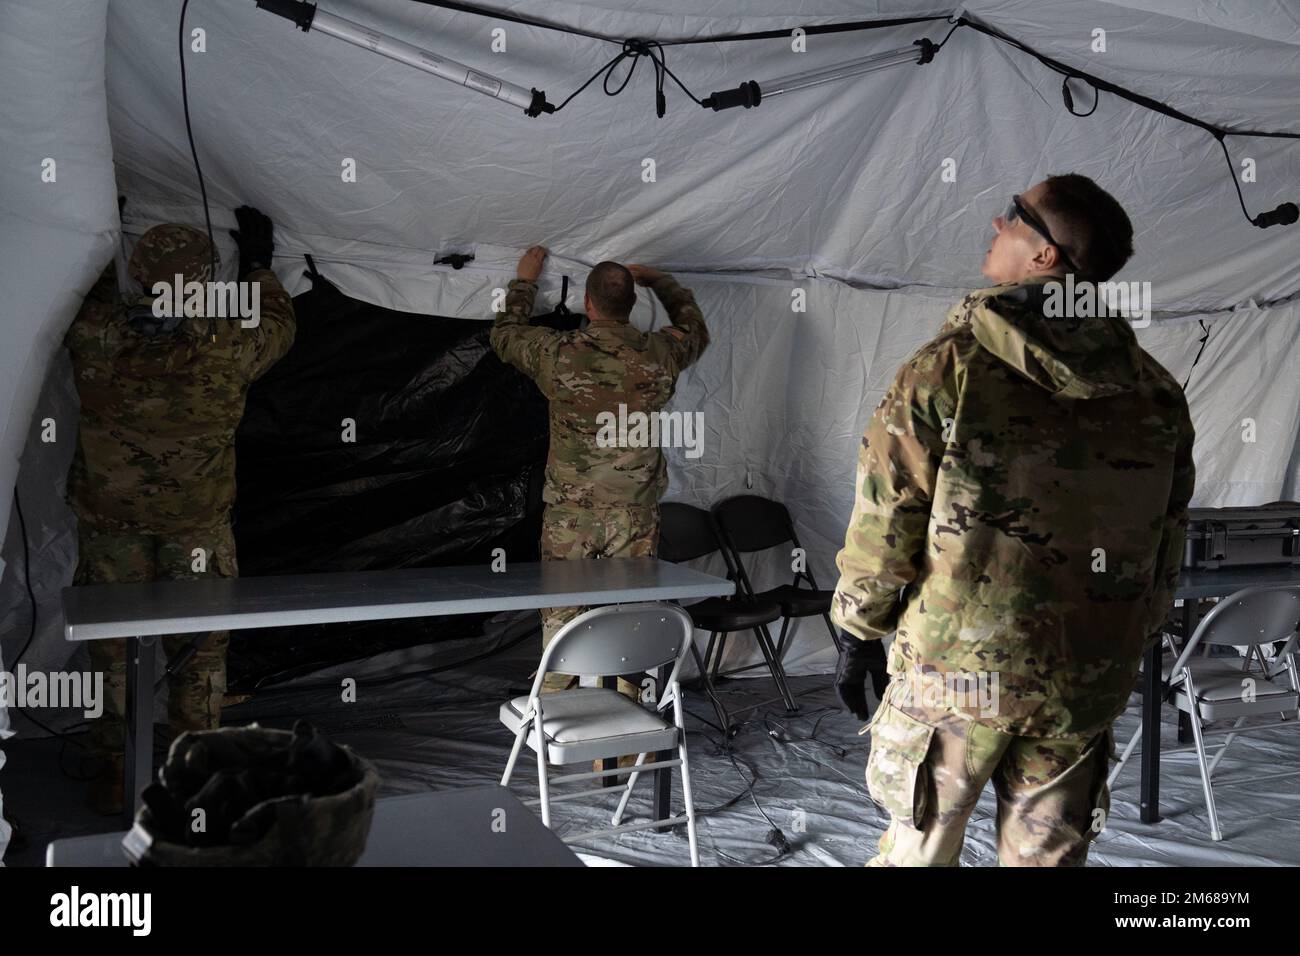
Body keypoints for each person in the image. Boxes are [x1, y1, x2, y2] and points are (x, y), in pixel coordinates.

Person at [831, 174, 1195, 866]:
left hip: (956, 674)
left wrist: (855, 629)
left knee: (918, 853)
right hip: (1081, 675)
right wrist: (1127, 637)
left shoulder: (948, 369)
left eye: (1012, 217)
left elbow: (887, 522)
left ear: (1045, 257)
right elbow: (1166, 536)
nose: (996, 226)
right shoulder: (1154, 391)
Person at [66, 206, 297, 814]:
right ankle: (194, 774)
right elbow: (280, 322)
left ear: (138, 272)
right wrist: (258, 266)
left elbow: (78, 297)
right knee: (198, 653)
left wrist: (95, 233)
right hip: (196, 527)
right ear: (203, 282)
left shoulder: (94, 334)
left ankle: (113, 775)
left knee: (111, 652)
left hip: (110, 526)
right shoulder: (230, 345)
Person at [490, 247, 708, 700]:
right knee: (630, 613)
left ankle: (555, 711)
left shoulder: (559, 353)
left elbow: (506, 334)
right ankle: (624, 728)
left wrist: (525, 281)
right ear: (631, 305)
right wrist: (661, 281)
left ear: (588, 305)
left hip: (573, 513)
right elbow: (696, 330)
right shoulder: (659, 352)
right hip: (634, 513)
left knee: (562, 614)